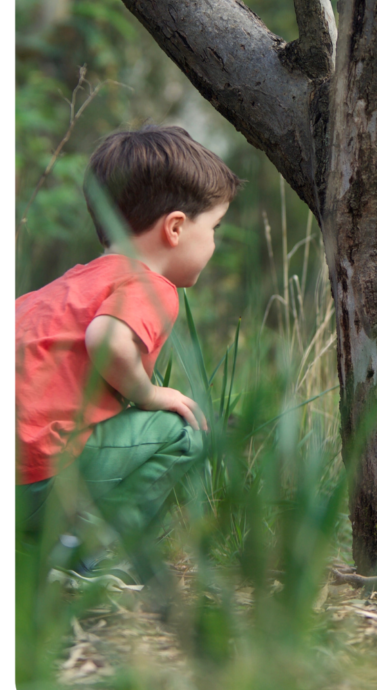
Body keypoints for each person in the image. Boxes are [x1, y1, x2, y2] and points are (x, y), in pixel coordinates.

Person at [14, 125, 241, 592]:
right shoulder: (149, 285)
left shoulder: (57, 291)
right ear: (176, 227)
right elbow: (108, 341)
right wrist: (148, 392)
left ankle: (35, 551)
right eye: (213, 228)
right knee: (182, 429)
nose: (213, 243)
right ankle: (85, 556)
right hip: (34, 479)